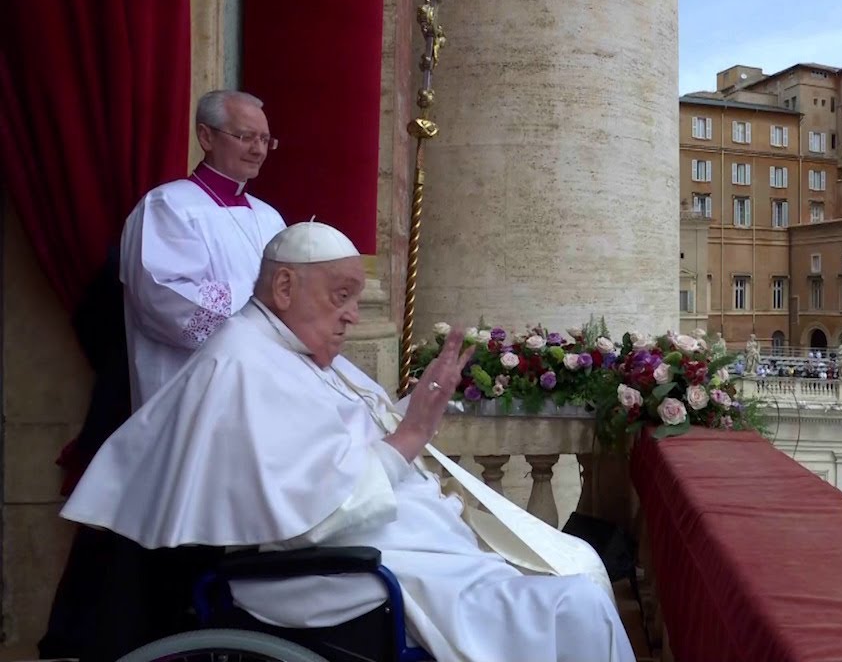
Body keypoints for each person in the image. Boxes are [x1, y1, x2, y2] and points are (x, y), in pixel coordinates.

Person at [63, 222, 634, 662]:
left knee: (576, 569)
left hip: (392, 548)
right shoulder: (240, 363)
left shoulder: (296, 349)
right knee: (573, 605)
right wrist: (409, 436)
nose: (351, 317)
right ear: (284, 286)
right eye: (341, 296)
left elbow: (358, 439)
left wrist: (420, 408)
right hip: (333, 574)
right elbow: (309, 514)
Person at [119, 89, 286, 410]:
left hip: (265, 379)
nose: (258, 150)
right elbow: (166, 300)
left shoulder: (269, 216)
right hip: (192, 386)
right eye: (246, 137)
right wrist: (270, 307)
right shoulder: (167, 206)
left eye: (266, 140)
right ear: (206, 136)